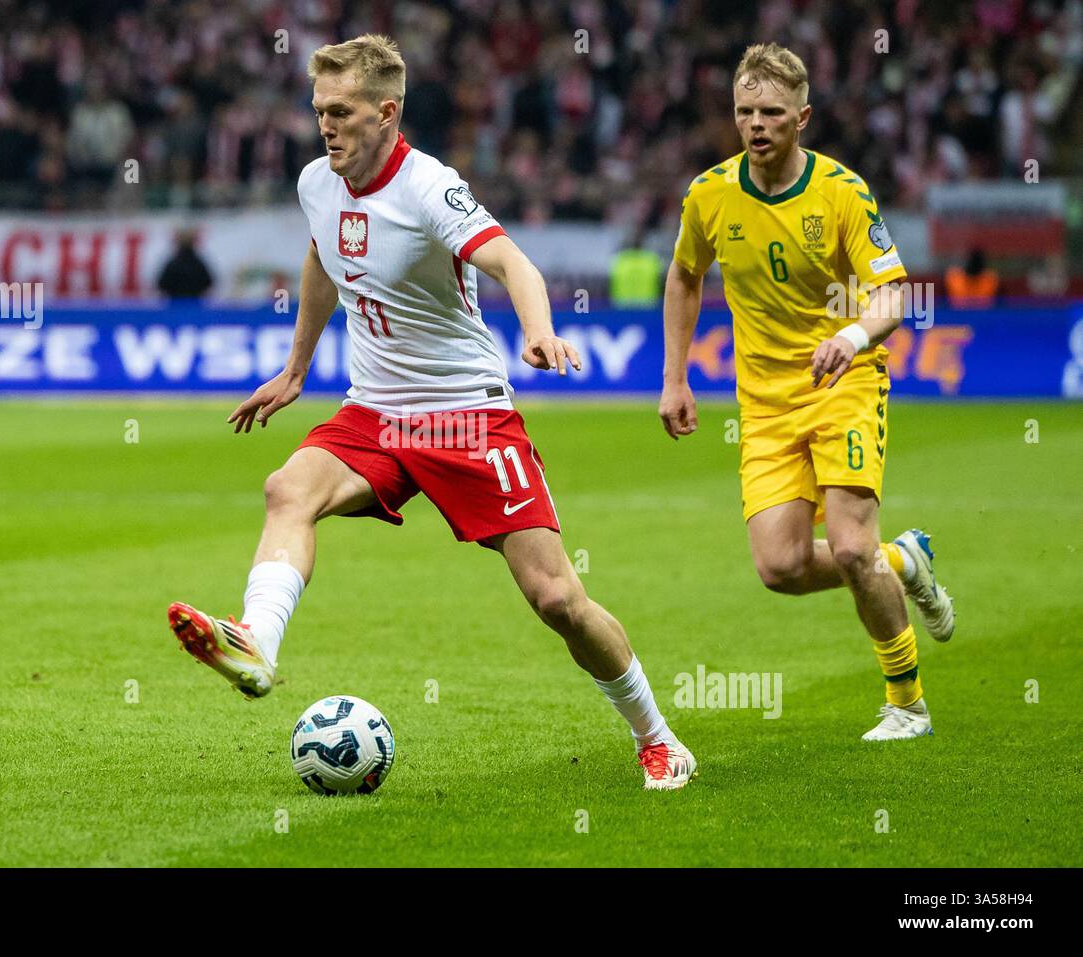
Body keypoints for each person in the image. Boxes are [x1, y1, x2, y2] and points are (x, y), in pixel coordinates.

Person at [167, 34, 696, 790]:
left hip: (465, 416)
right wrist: (296, 368)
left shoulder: (429, 187)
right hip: (375, 412)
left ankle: (657, 736)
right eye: (319, 111)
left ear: (387, 113)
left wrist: (539, 330)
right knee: (287, 488)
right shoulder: (317, 182)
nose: (326, 126)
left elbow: (511, 260)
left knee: (556, 597)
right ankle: (255, 644)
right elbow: (321, 260)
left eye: (341, 112)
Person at [659, 43, 955, 742]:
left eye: (770, 112)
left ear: (802, 117)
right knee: (782, 567)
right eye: (744, 111)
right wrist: (675, 378)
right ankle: (903, 561)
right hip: (765, 403)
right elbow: (684, 275)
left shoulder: (842, 192)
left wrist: (851, 337)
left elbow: (892, 293)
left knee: (851, 547)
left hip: (844, 383)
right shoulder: (709, 194)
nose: (755, 125)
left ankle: (906, 703)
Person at [156, 229, 215, 300]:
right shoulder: (198, 263)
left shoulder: (173, 263)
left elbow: (162, 285)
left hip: (175, 302)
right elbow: (208, 283)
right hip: (194, 302)